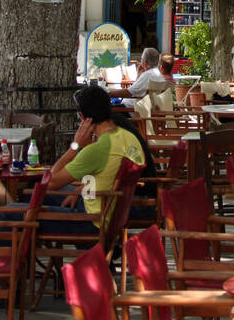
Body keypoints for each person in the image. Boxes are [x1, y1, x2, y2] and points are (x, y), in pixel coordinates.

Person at [40, 85, 157, 235]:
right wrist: (80, 190)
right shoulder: (127, 136)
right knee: (48, 196)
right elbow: (108, 175)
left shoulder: (97, 149)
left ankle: (25, 254)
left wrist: (75, 147)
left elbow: (48, 183)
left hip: (93, 219)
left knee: (17, 210)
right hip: (115, 210)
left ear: (82, 117)